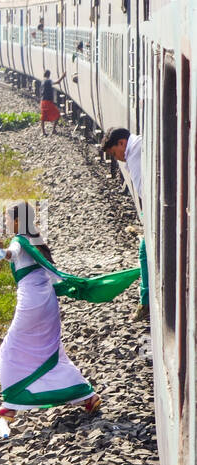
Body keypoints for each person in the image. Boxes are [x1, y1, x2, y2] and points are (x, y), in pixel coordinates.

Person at [0, 201, 102, 416]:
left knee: (10, 349)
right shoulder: (35, 241)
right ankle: (87, 397)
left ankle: (12, 405)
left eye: (7, 219)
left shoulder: (20, 240)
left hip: (32, 302)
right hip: (47, 301)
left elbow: (7, 255)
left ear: (17, 221)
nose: (6, 223)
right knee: (50, 351)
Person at [102, 126, 149, 320]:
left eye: (114, 153)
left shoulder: (134, 152)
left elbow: (143, 190)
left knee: (144, 252)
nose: (116, 158)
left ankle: (145, 303)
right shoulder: (138, 146)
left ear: (122, 143)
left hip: (158, 213)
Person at [39, 69, 67, 136]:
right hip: (48, 102)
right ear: (49, 75)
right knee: (57, 114)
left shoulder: (42, 81)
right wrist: (63, 76)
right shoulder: (49, 81)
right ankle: (53, 130)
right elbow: (57, 82)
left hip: (42, 101)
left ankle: (43, 132)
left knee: (43, 117)